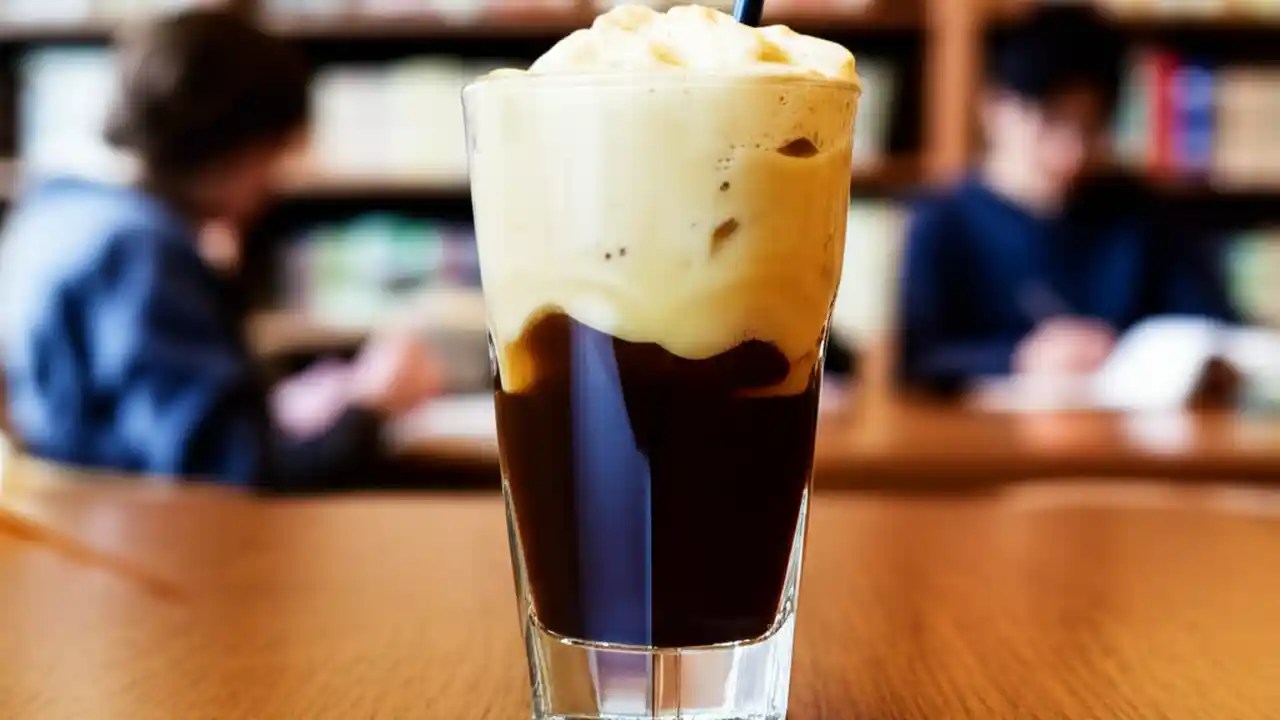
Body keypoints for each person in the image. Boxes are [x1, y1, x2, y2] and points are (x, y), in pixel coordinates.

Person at [0, 10, 438, 489]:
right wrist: (373, 406)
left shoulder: (52, 213)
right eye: (273, 153)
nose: (275, 183)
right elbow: (232, 475)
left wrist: (263, 404)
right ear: (233, 143)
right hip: (165, 545)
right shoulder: (141, 253)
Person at [898, 6, 1236, 395]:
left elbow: (1212, 332)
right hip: (984, 444)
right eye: (1050, 121)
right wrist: (1019, 358)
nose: (1070, 152)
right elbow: (915, 362)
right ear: (995, 108)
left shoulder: (1143, 214)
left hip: (1129, 441)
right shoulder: (943, 220)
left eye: (1090, 129)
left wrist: (1124, 351)